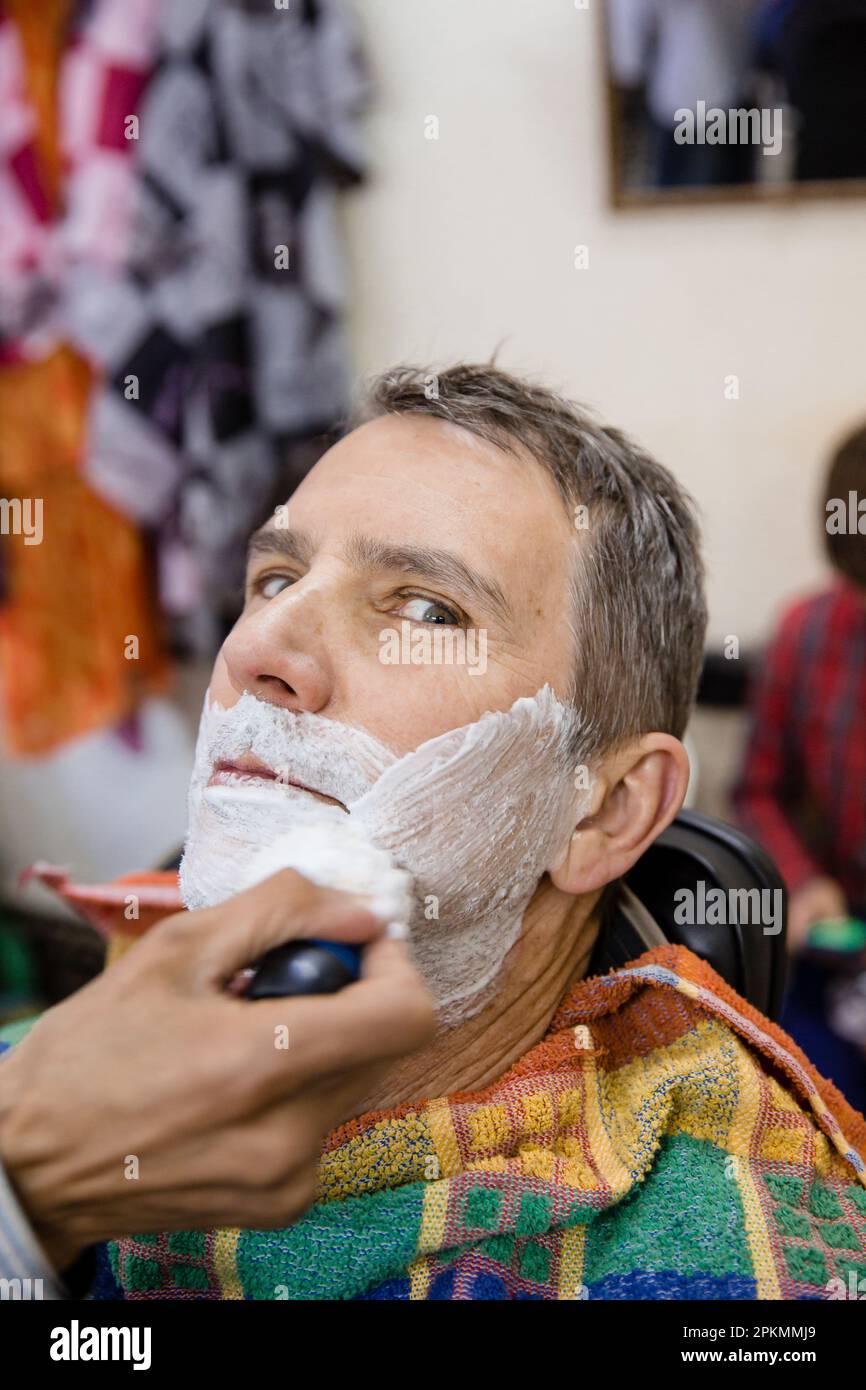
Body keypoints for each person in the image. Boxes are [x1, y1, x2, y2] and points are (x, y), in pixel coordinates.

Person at [2, 364, 865, 1301]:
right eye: (275, 578)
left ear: (606, 808)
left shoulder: (737, 1280)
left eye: (425, 610)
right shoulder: (42, 1089)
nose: (254, 651)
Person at [732, 423, 866, 1116]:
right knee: (795, 1104)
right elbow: (756, 792)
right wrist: (803, 883)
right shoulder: (805, 634)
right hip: (833, 945)